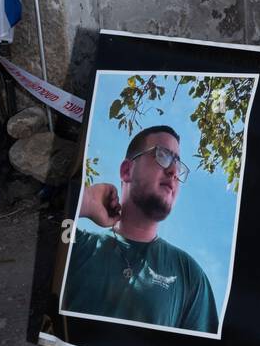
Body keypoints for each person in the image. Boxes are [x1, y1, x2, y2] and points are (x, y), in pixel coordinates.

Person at [62, 125, 219, 333]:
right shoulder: (79, 246)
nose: (173, 171)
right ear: (127, 171)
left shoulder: (190, 276)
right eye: (162, 155)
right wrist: (88, 201)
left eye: (178, 164)